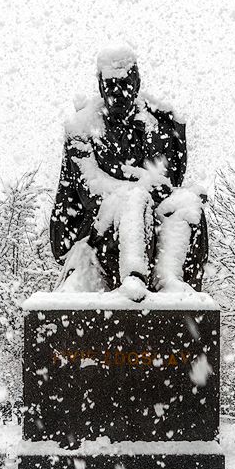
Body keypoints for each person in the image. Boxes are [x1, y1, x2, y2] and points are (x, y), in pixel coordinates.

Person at [49, 47, 208, 295]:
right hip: (101, 230)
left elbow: (172, 178)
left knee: (187, 203)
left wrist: (162, 189)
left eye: (124, 84)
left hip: (153, 224)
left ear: (136, 84)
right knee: (133, 199)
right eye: (111, 85)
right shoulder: (80, 128)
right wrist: (143, 187)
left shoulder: (161, 123)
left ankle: (168, 279)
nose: (118, 93)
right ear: (101, 88)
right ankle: (133, 277)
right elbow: (91, 192)